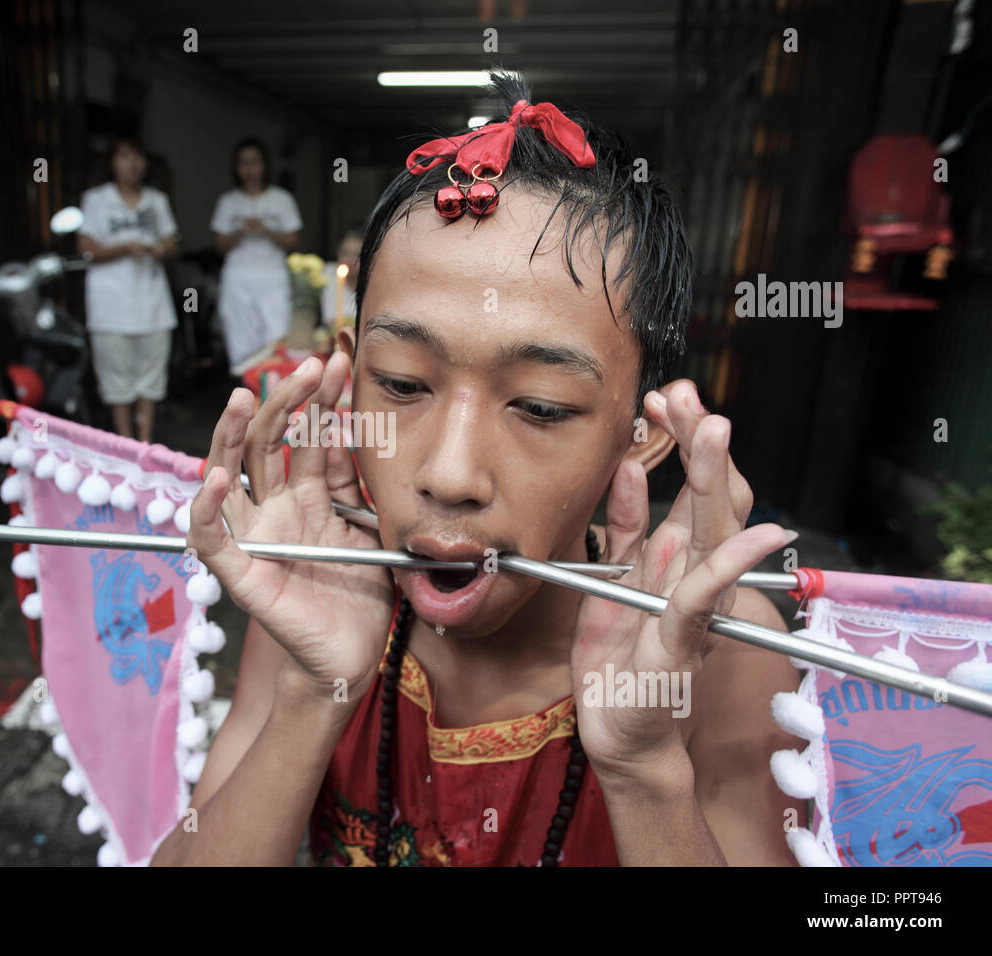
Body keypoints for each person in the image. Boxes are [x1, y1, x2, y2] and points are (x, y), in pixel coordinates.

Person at [154, 71, 803, 867]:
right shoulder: (318, 584)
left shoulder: (716, 646)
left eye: (539, 405)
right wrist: (306, 695)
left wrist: (643, 772)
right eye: (400, 384)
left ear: (644, 431)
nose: (450, 473)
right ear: (345, 382)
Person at [77, 136, 178, 443]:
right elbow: (86, 248)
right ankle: (125, 442)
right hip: (110, 305)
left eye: (138, 157)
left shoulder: (156, 200)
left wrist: (161, 249)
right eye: (124, 156)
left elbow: (172, 242)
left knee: (150, 378)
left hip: (152, 303)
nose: (132, 164)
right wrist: (123, 248)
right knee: (116, 381)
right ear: (112, 162)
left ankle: (144, 442)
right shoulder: (96, 199)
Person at [210, 138, 302, 374]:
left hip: (273, 278)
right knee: (241, 345)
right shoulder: (228, 201)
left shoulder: (281, 199)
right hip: (238, 279)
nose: (249, 169)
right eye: (243, 163)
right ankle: (247, 402)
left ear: (264, 165)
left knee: (276, 340)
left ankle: (273, 400)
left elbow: (294, 240)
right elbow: (219, 245)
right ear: (236, 168)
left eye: (254, 162)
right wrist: (241, 231)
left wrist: (267, 231)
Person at [318, 225, 363, 334]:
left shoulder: (374, 283)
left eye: (357, 255)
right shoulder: (324, 275)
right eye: (345, 253)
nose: (350, 260)